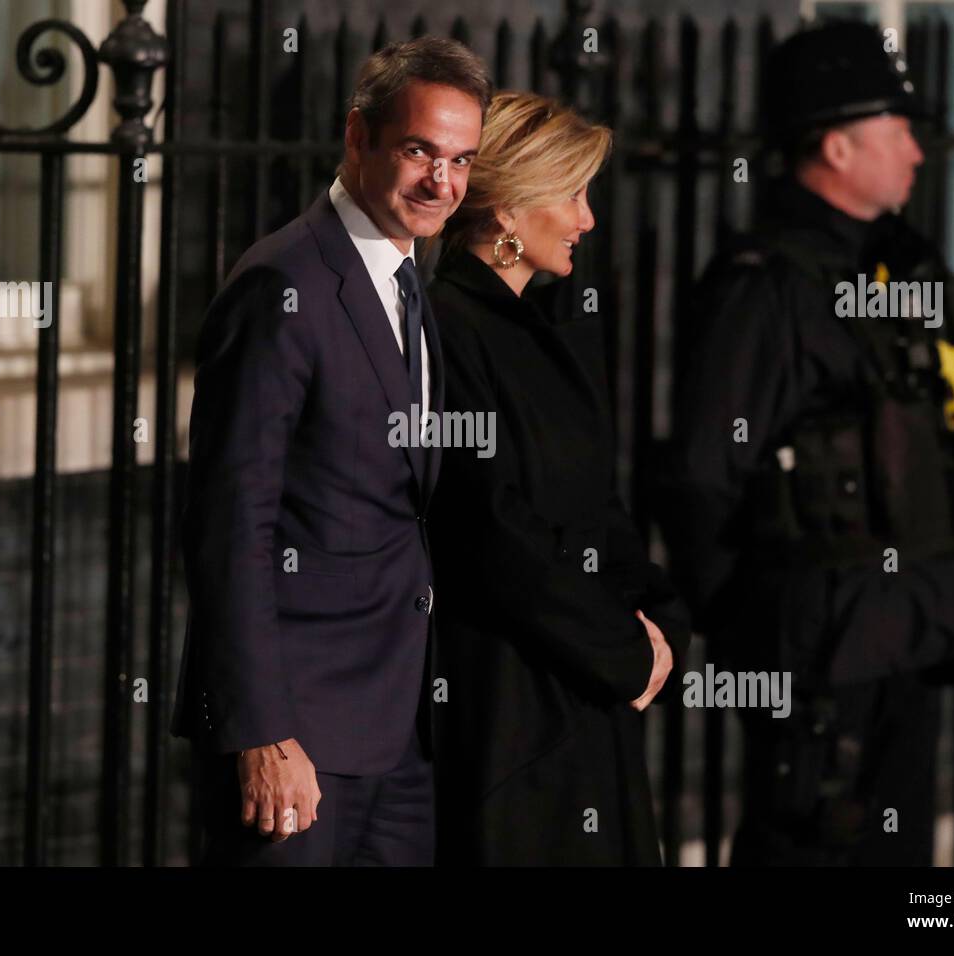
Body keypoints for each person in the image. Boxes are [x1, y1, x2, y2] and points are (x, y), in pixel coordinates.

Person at [657, 20, 954, 866]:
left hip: (907, 635)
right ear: (838, 147)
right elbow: (702, 477)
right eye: (898, 130)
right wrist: (751, 629)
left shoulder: (901, 269)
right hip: (817, 654)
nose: (919, 153)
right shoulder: (767, 287)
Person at [171, 36, 490, 866]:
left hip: (398, 732)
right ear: (358, 137)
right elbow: (227, 523)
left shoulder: (409, 282)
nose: (442, 183)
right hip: (296, 740)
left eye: (461, 160)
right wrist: (263, 734)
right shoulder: (283, 282)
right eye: (420, 150)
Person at [426, 91, 691, 866]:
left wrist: (658, 621)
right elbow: (489, 526)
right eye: (572, 195)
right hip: (512, 714)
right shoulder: (448, 327)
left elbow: (594, 506)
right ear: (507, 210)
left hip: (580, 696)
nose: (587, 220)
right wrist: (622, 647)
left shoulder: (540, 329)